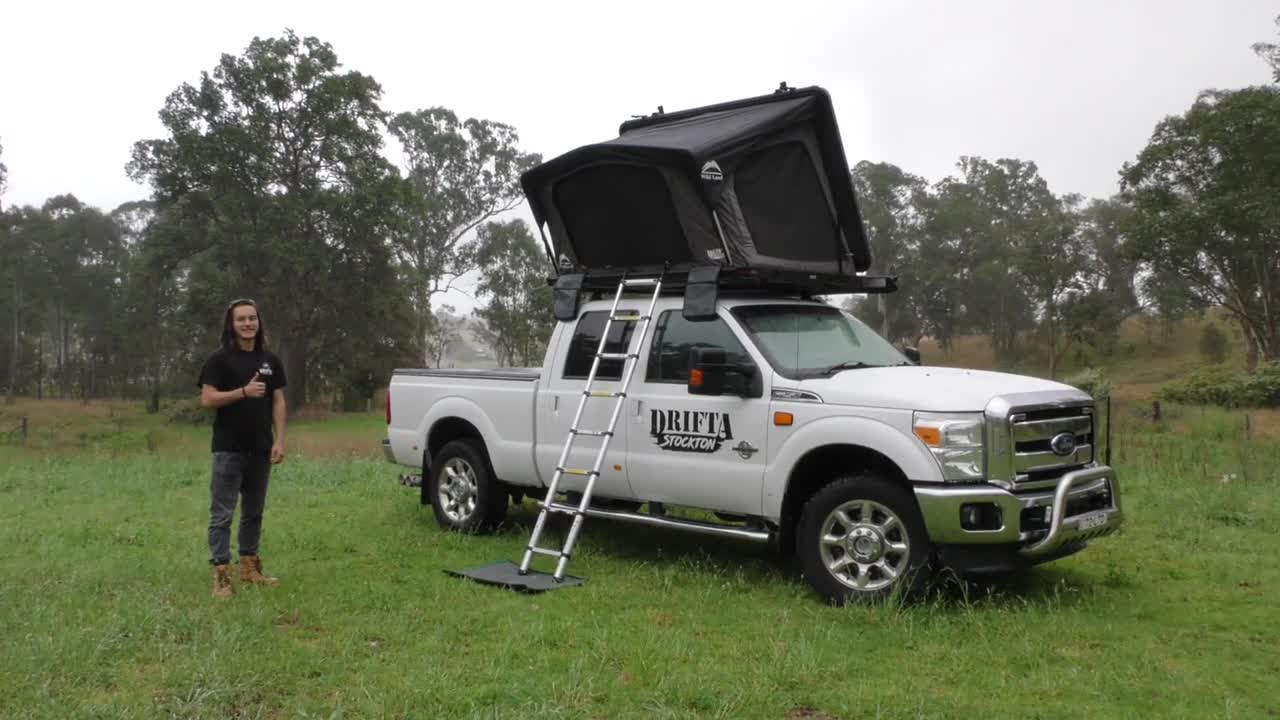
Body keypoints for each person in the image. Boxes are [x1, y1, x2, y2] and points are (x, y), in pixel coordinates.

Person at [198, 299, 288, 598]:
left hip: (261, 449)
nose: (248, 324)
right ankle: (222, 576)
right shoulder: (219, 360)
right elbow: (207, 399)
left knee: (254, 513)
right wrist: (243, 392)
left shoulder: (270, 360)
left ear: (259, 322)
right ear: (231, 324)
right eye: (241, 320)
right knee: (222, 514)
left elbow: (278, 401)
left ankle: (249, 568)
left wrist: (279, 439)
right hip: (228, 449)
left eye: (252, 318)